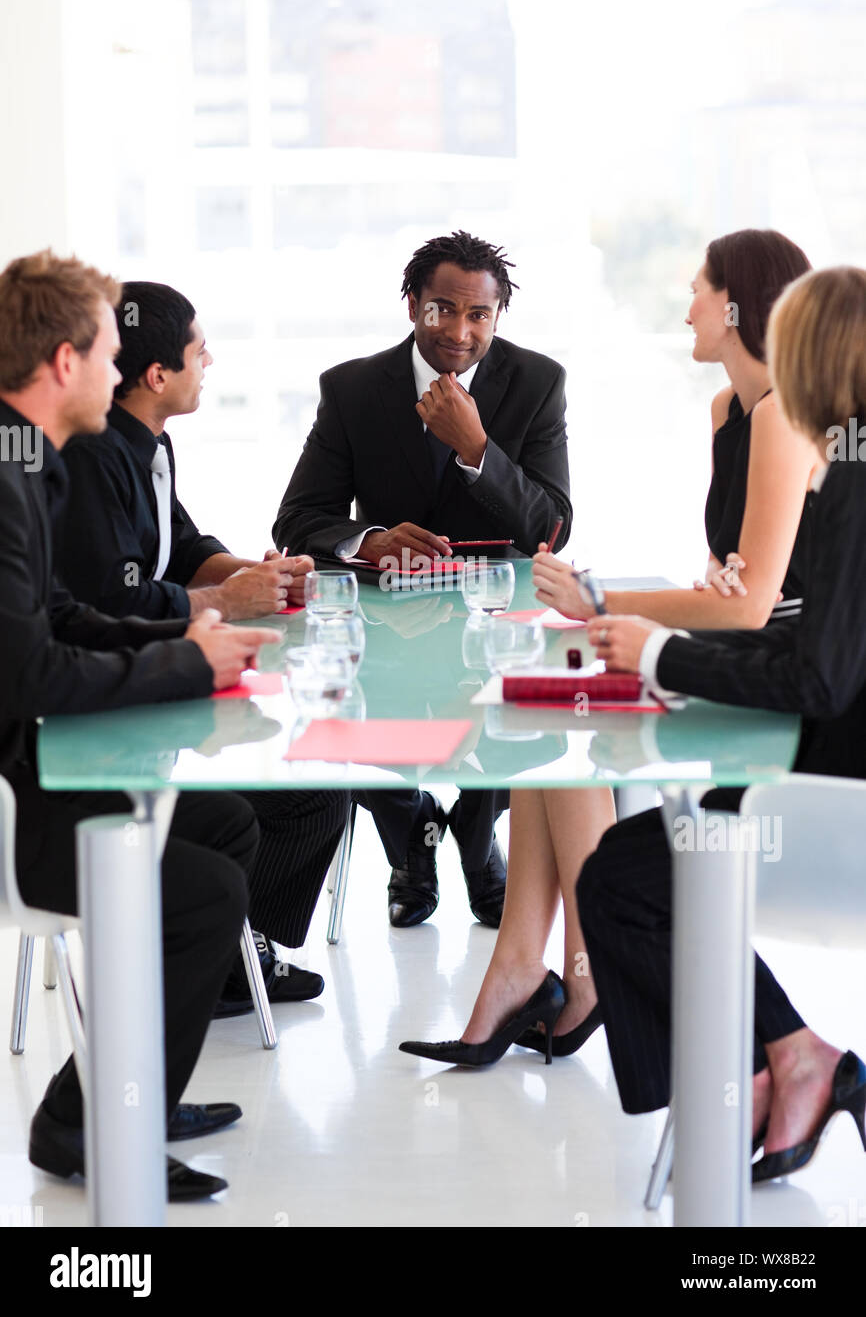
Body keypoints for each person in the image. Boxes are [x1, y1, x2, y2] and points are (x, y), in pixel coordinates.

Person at [400, 229, 817, 1066]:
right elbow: (724, 581)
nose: (687, 304)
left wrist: (602, 604)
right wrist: (615, 613)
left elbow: (751, 607)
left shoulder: (783, 416)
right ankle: (524, 964)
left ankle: (576, 974)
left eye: (699, 289)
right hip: (738, 655)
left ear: (738, 307)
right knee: (541, 692)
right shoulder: (728, 411)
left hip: (779, 679)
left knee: (571, 697)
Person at [0, 249, 282, 1198]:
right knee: (201, 891)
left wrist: (190, 642)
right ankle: (87, 1124)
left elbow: (57, 618)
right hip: (23, 798)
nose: (124, 368)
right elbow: (29, 667)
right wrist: (180, 657)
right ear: (65, 362)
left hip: (44, 767)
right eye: (111, 350)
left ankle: (130, 1101)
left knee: (224, 826)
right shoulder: (11, 477)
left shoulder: (23, 458)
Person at [577, 263, 866, 1184]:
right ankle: (783, 1056)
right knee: (645, 862)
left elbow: (817, 675)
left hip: (834, 804)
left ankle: (762, 1065)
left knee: (627, 878)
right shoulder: (852, 461)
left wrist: (658, 656)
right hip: (823, 769)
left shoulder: (852, 480)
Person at [56, 281, 349, 1009]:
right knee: (299, 796)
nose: (209, 360)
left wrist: (257, 576)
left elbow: (182, 544)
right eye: (199, 350)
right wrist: (227, 603)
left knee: (322, 786)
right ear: (159, 375)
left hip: (164, 680)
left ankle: (232, 947)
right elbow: (110, 599)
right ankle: (218, 953)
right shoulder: (94, 458)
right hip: (124, 703)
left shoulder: (149, 441)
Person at [273, 230, 572, 929]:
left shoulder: (537, 382)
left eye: (480, 316)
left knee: (536, 723)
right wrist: (368, 540)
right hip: (384, 619)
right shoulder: (351, 388)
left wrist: (477, 448)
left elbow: (552, 529)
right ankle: (411, 841)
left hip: (497, 619)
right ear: (412, 305)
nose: (461, 333)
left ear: (499, 317)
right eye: (444, 310)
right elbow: (297, 519)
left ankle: (474, 829)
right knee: (349, 716)